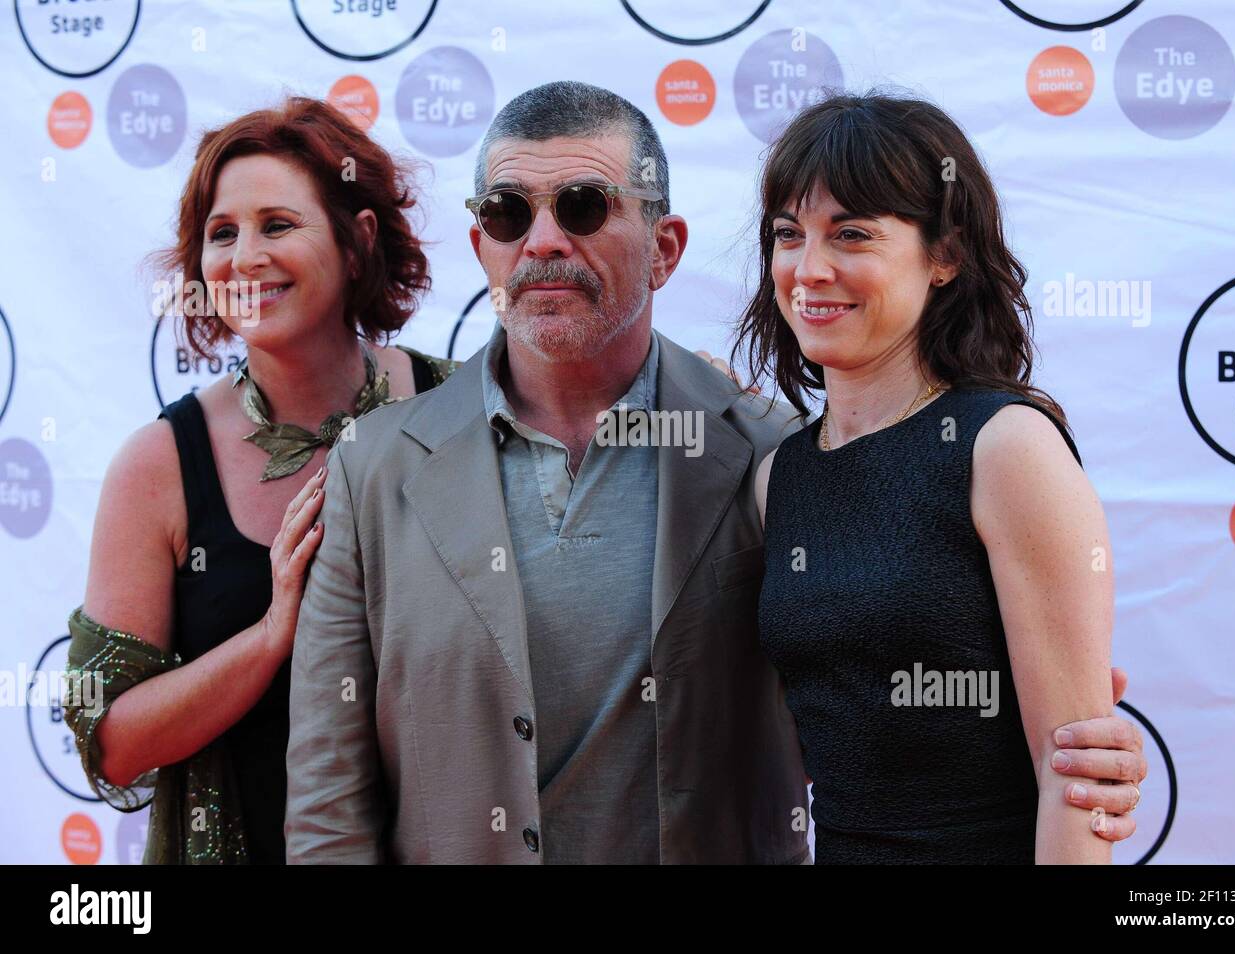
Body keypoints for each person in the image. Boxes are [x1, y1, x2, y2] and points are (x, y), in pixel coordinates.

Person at [285, 81, 1146, 864]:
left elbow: (1010, 730)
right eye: (510, 212)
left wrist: (1060, 728)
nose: (543, 239)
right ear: (482, 246)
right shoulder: (375, 467)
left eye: (584, 206)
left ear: (664, 250)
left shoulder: (759, 451)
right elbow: (328, 802)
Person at [742, 92, 1137, 863]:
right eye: (790, 235)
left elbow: (1078, 784)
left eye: (851, 234)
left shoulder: (1005, 447)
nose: (809, 268)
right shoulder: (777, 478)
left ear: (945, 254)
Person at [63, 98, 456, 864]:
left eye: (277, 224)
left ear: (356, 242)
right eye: (222, 233)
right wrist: (273, 636)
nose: (244, 258)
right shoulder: (159, 464)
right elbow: (110, 740)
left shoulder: (465, 411)